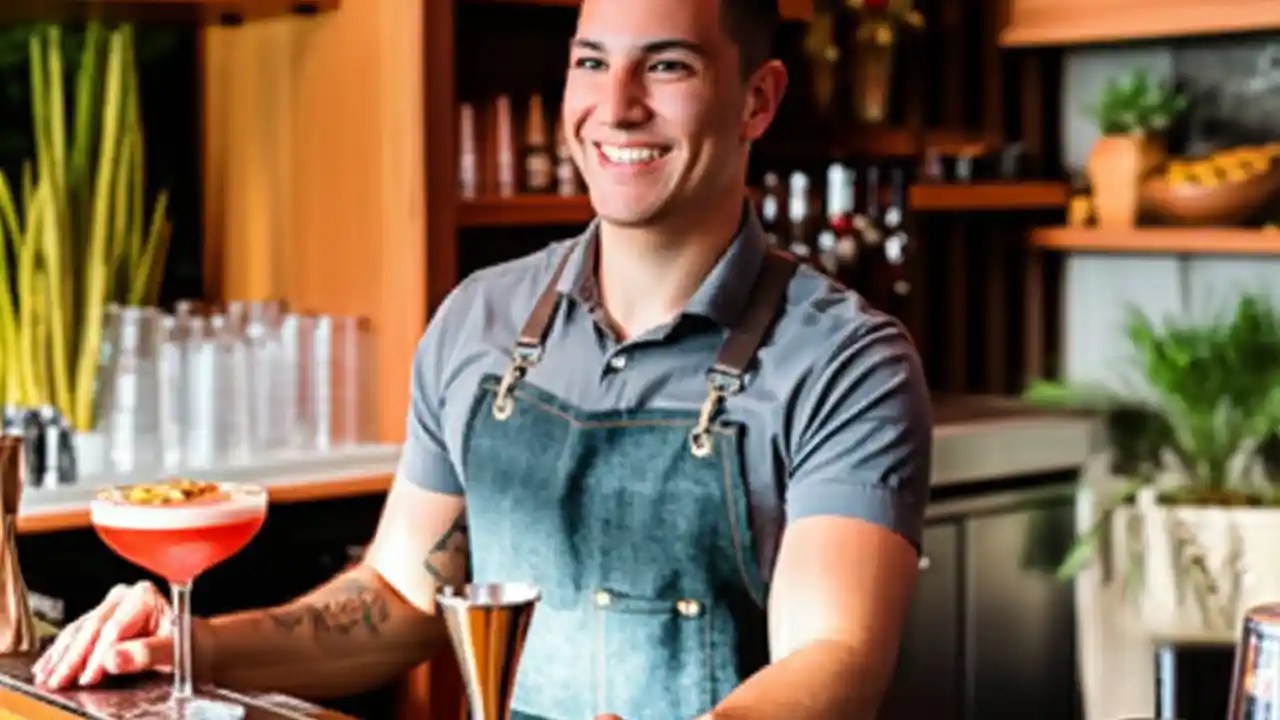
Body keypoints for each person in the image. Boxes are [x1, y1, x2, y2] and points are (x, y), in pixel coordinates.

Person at [33, 0, 933, 717]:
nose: (614, 105)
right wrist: (182, 646)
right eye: (591, 60)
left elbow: (835, 657)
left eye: (667, 65)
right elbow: (398, 597)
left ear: (758, 99)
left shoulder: (846, 362)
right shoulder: (482, 318)